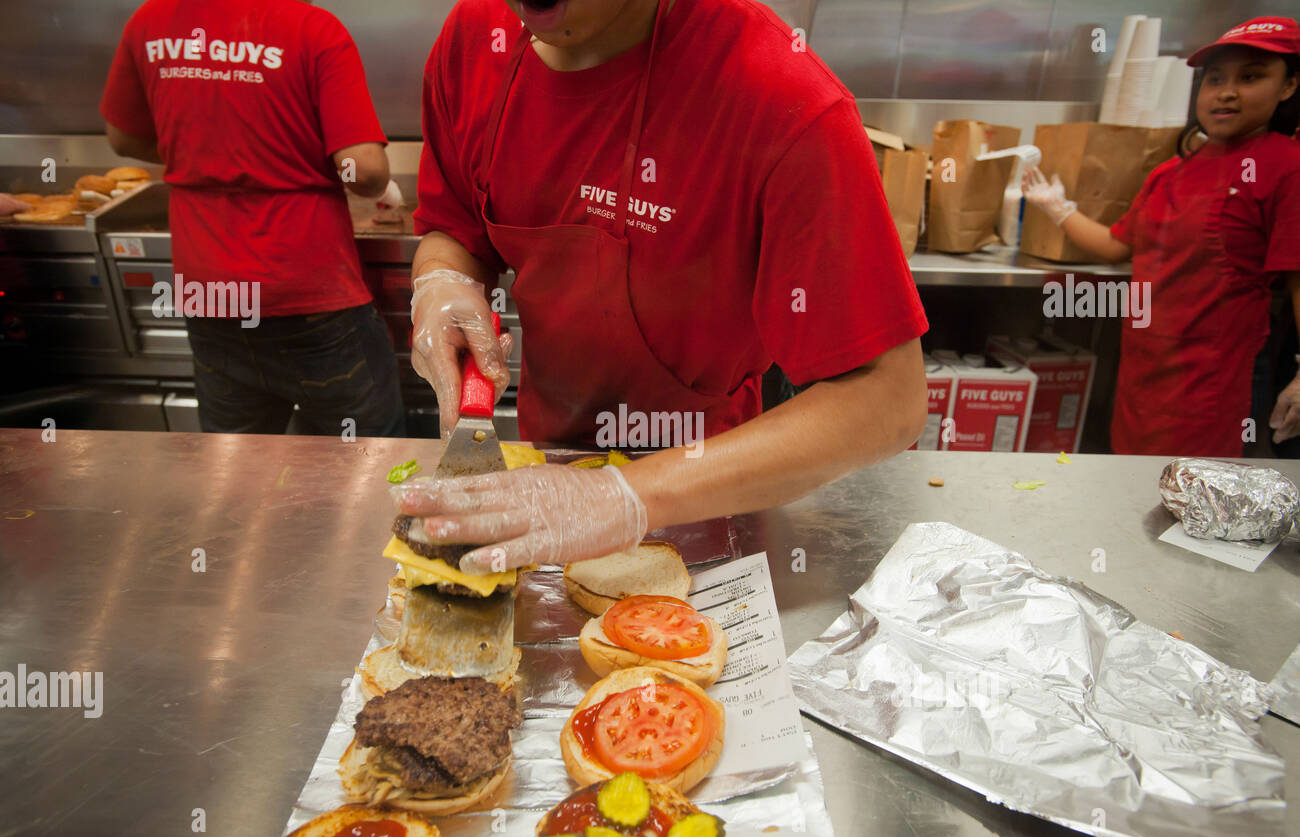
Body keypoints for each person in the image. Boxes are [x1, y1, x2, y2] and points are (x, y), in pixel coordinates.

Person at [395, 0, 929, 573]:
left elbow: (888, 398)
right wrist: (441, 279)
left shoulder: (781, 96)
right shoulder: (476, 42)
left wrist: (624, 497)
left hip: (716, 489)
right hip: (545, 476)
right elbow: (456, 229)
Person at [100, 0, 407, 437]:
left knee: (239, 475)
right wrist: (318, 162)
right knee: (365, 462)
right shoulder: (312, 28)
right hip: (309, 298)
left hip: (210, 296)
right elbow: (365, 170)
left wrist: (201, 152)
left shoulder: (149, 20)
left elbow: (123, 138)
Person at [1024, 16, 1300, 457]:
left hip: (1211, 380)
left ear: (1288, 87)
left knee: (1191, 498)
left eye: (1251, 77)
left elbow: (1296, 277)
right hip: (1142, 373)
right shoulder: (1172, 170)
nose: (1226, 92)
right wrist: (1057, 207)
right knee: (1131, 487)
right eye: (1215, 79)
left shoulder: (1285, 165)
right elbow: (1117, 245)